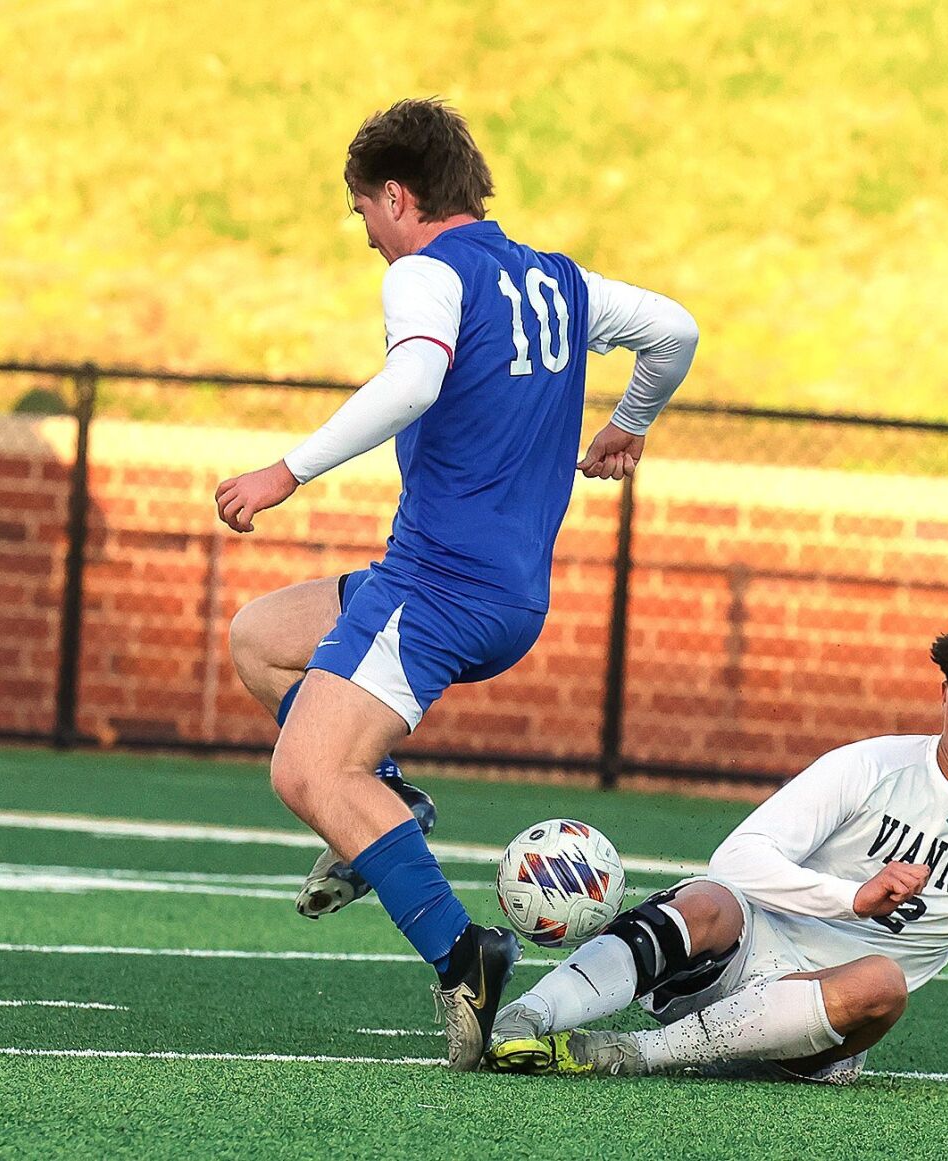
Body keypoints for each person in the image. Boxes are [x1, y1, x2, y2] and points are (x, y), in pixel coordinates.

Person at [213, 99, 698, 1070]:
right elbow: (676, 330)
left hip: (439, 587)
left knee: (308, 772)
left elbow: (413, 383)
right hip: (500, 592)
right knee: (260, 639)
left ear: (397, 197)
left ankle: (461, 952)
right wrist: (630, 421)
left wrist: (285, 472)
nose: (366, 234)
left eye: (363, 211)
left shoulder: (425, 272)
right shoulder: (560, 282)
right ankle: (392, 804)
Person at [486, 618, 948, 1106]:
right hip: (724, 969)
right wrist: (851, 898)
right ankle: (525, 1017)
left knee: (884, 980)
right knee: (710, 897)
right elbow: (736, 856)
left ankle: (631, 1055)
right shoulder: (869, 766)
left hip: (825, 1027)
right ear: (944, 692)